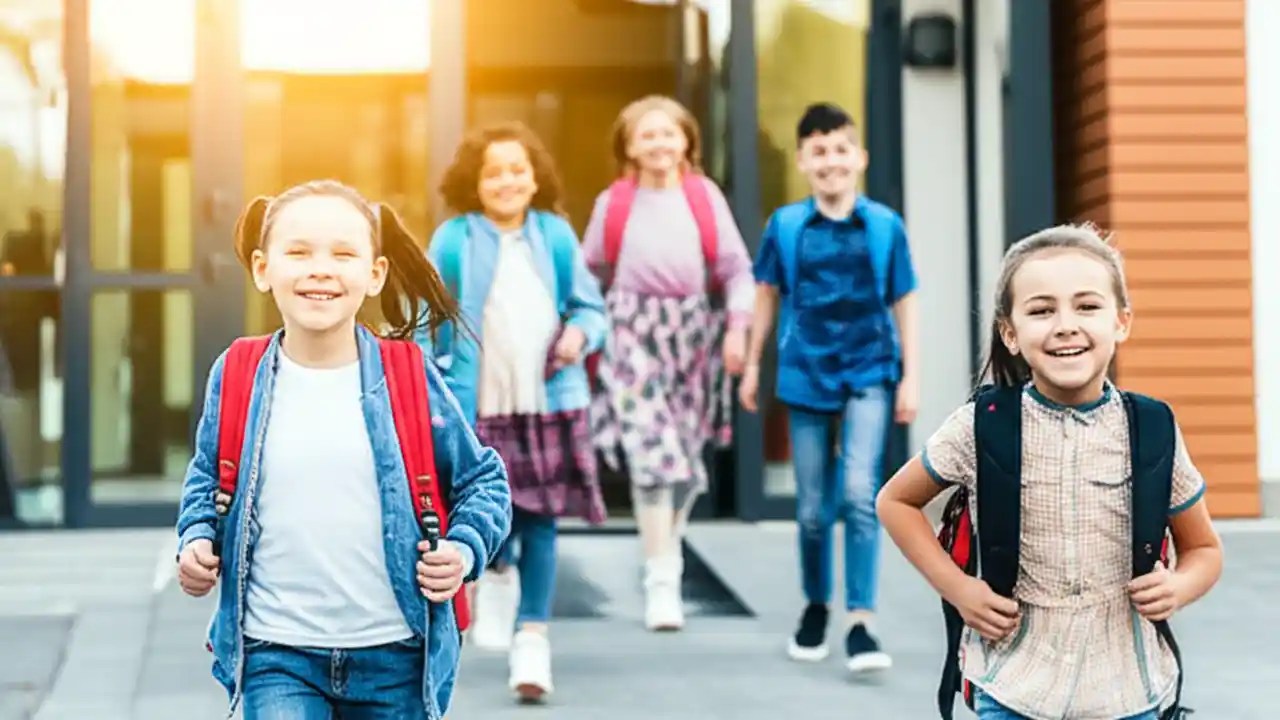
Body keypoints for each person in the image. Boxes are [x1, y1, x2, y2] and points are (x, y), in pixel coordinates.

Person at [174, 180, 512, 720]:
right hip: (275, 651)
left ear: (374, 274)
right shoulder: (237, 371)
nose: (321, 268)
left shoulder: (408, 375)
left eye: (344, 253)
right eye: (299, 252)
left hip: (395, 656)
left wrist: (464, 551)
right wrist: (194, 540)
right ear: (263, 269)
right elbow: (208, 476)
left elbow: (483, 482)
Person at [876, 225, 1224, 719]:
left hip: (1128, 692)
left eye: (1087, 306)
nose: (1065, 325)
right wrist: (959, 590)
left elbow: (1204, 550)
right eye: (1042, 310)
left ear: (1122, 322)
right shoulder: (983, 425)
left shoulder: (1152, 428)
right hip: (1013, 685)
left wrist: (1180, 587)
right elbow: (895, 502)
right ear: (1010, 333)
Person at [424, 121, 609, 702]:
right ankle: (496, 571)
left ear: (535, 178)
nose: (507, 181)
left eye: (517, 170)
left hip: (547, 401)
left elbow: (589, 308)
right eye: (493, 172)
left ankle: (534, 638)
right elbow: (427, 315)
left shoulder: (554, 235)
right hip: (478, 403)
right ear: (473, 183)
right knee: (490, 510)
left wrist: (581, 334)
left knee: (545, 519)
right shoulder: (454, 238)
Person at [739, 102, 918, 673]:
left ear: (859, 157)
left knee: (861, 494)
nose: (831, 161)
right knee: (814, 508)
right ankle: (816, 605)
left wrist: (911, 376)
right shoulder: (787, 226)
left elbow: (904, 300)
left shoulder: (886, 226)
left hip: (870, 369)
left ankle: (861, 621)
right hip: (806, 371)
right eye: (819, 152)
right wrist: (750, 365)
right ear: (803, 161)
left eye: (841, 149)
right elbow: (765, 294)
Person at [584, 94, 754, 631]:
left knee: (684, 468)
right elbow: (588, 273)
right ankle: (662, 583)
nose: (658, 143)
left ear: (686, 141)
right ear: (629, 147)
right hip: (630, 331)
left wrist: (736, 328)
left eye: (668, 133)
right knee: (654, 456)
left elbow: (736, 269)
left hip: (693, 336)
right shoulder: (613, 203)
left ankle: (665, 551)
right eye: (646, 135)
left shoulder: (703, 197)